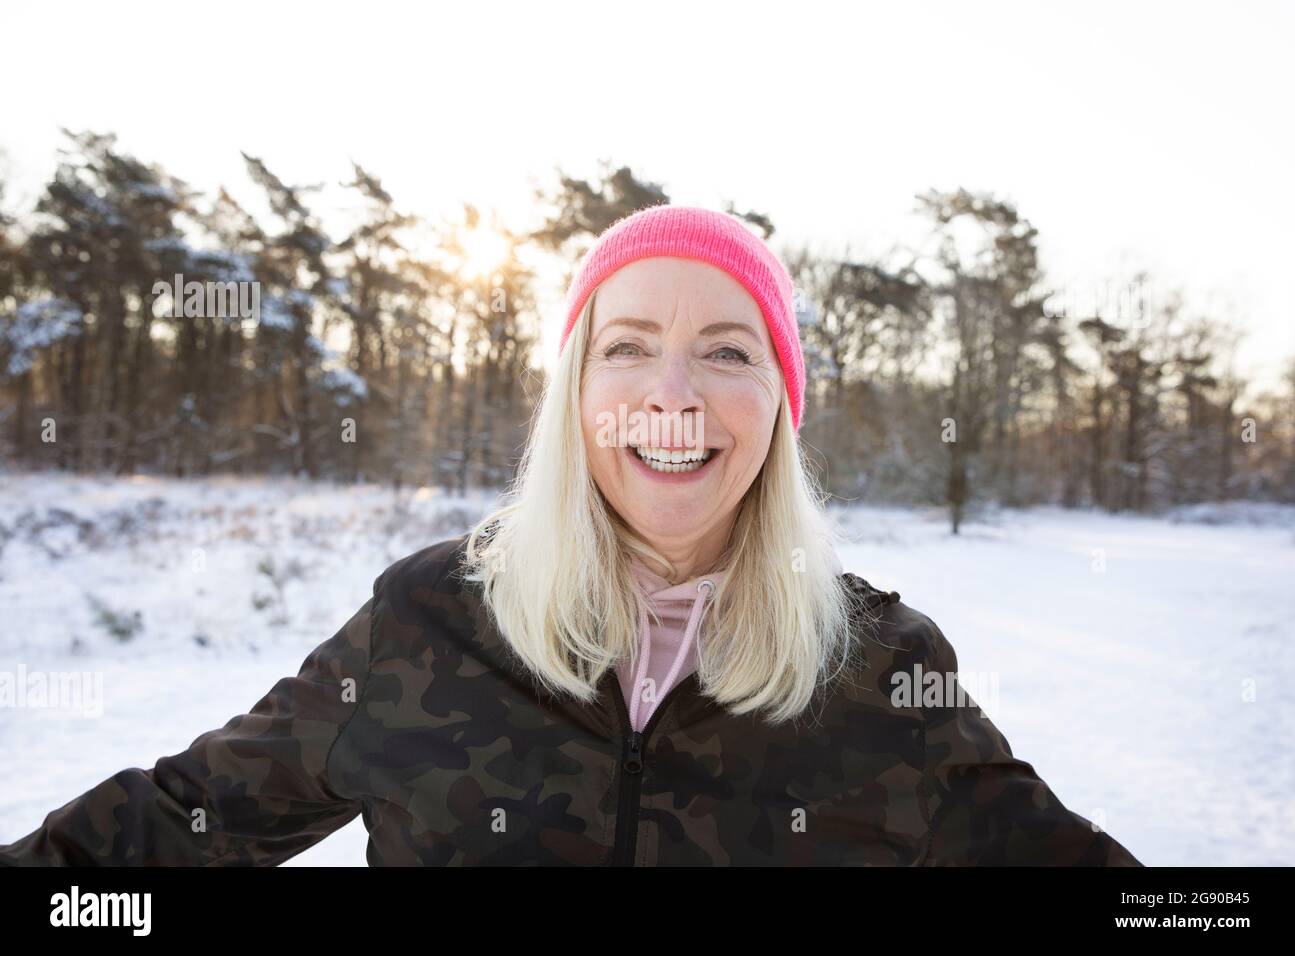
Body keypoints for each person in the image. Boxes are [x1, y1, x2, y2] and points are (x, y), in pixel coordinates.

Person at [0, 205, 1141, 866]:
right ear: (575, 392)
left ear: (782, 405)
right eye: (629, 344)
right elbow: (179, 823)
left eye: (730, 350)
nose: (674, 394)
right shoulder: (427, 621)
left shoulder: (883, 669)